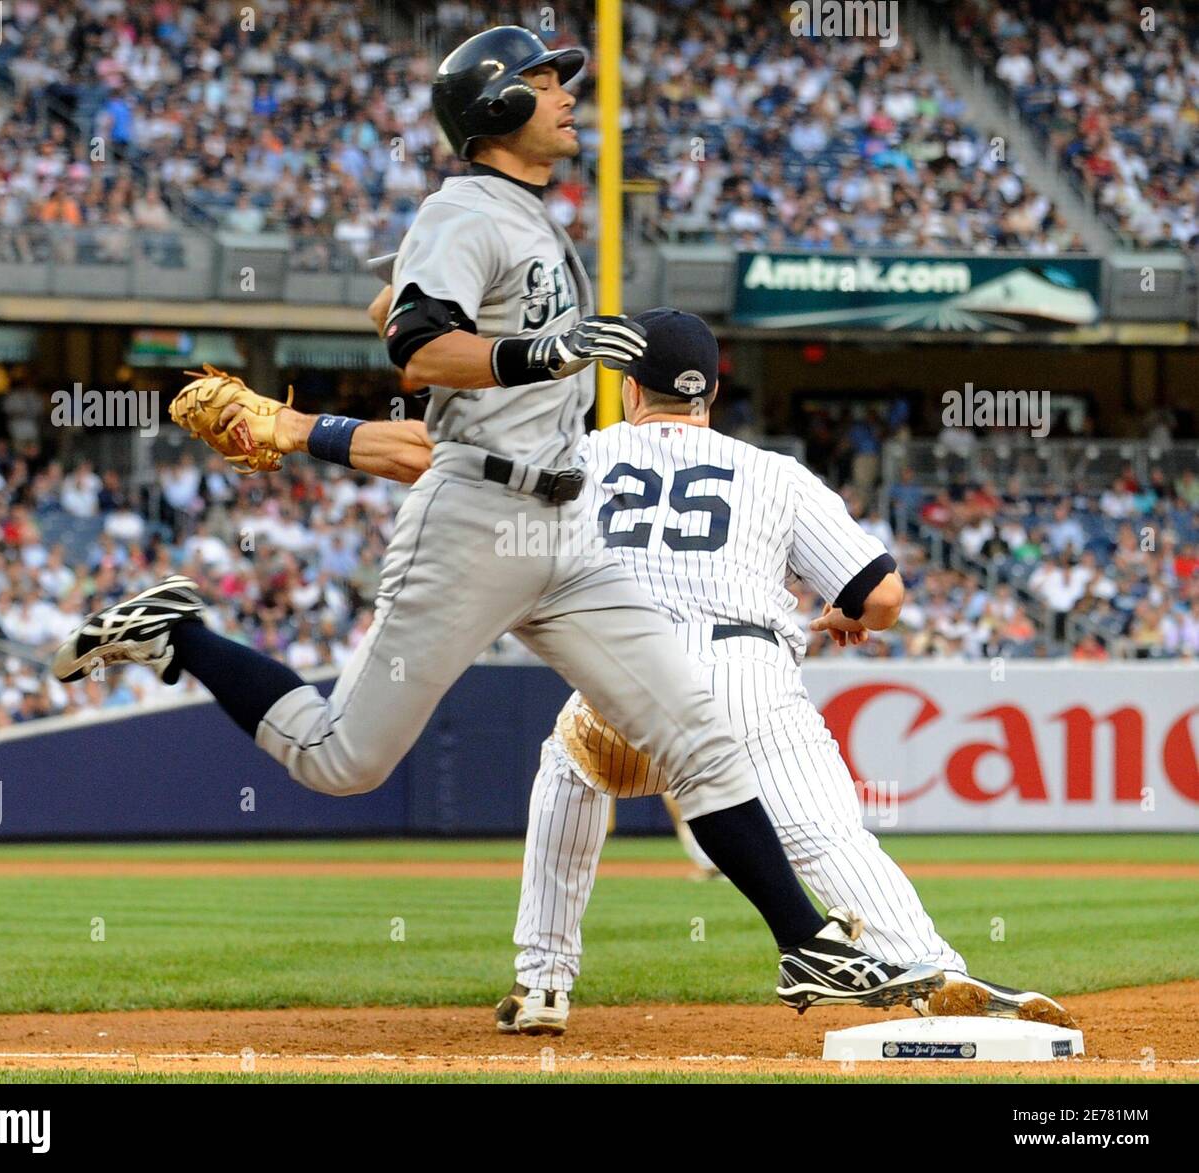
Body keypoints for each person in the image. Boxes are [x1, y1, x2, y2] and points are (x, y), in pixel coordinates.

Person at [54, 26, 942, 1015]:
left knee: (698, 728)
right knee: (344, 760)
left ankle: (806, 945)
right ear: (496, 106)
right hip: (476, 517)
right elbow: (417, 345)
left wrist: (330, 426)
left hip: (565, 528)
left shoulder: (518, 213)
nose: (566, 93)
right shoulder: (467, 205)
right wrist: (533, 354)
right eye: (545, 80)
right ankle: (180, 633)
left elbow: (396, 302)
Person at [355, 302, 1076, 1037]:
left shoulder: (586, 453)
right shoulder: (774, 473)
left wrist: (309, 431)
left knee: (569, 771)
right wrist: (847, 616)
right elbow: (883, 594)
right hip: (749, 669)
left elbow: (435, 456)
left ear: (632, 388)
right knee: (827, 836)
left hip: (631, 673)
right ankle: (933, 968)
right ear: (710, 396)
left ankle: (542, 981)